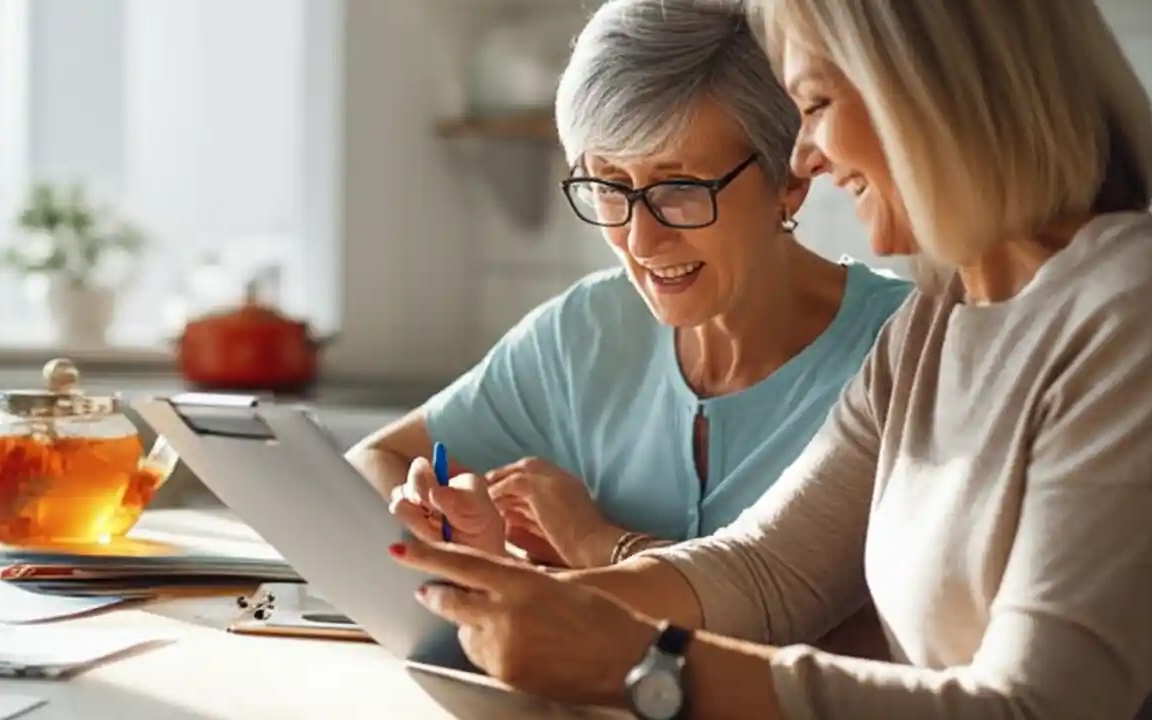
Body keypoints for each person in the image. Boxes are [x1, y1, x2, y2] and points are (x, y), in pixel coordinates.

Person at [386, 0, 1152, 717]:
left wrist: (642, 666)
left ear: (936, 90)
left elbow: (1041, 707)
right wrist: (506, 604)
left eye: (814, 103)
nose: (806, 158)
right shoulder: (937, 323)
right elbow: (764, 571)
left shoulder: (1151, 297)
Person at [349, 0, 909, 569]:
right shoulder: (584, 332)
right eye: (609, 186)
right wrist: (446, 531)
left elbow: (830, 617)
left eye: (682, 187)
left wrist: (598, 544)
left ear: (789, 181)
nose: (641, 242)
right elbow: (377, 460)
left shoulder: (905, 349)